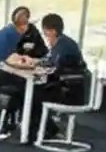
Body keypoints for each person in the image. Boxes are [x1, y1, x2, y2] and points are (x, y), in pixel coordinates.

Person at [7, 13, 87, 141]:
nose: (45, 36)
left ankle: (37, 132)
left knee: (32, 95)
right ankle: (40, 128)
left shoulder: (63, 46)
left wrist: (33, 64)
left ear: (52, 31)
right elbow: (49, 61)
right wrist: (34, 61)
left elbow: (52, 67)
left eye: (46, 32)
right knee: (29, 92)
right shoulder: (63, 42)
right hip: (69, 86)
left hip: (69, 92)